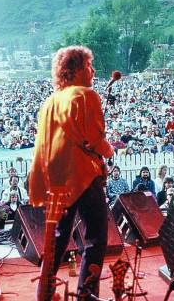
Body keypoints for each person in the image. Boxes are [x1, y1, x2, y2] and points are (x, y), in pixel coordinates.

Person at [28, 45, 113, 300]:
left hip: (55, 181)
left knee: (57, 241)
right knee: (95, 239)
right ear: (76, 70)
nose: (93, 70)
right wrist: (109, 151)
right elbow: (94, 139)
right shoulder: (85, 95)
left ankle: (44, 291)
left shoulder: (50, 101)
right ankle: (87, 295)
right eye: (89, 66)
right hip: (82, 176)